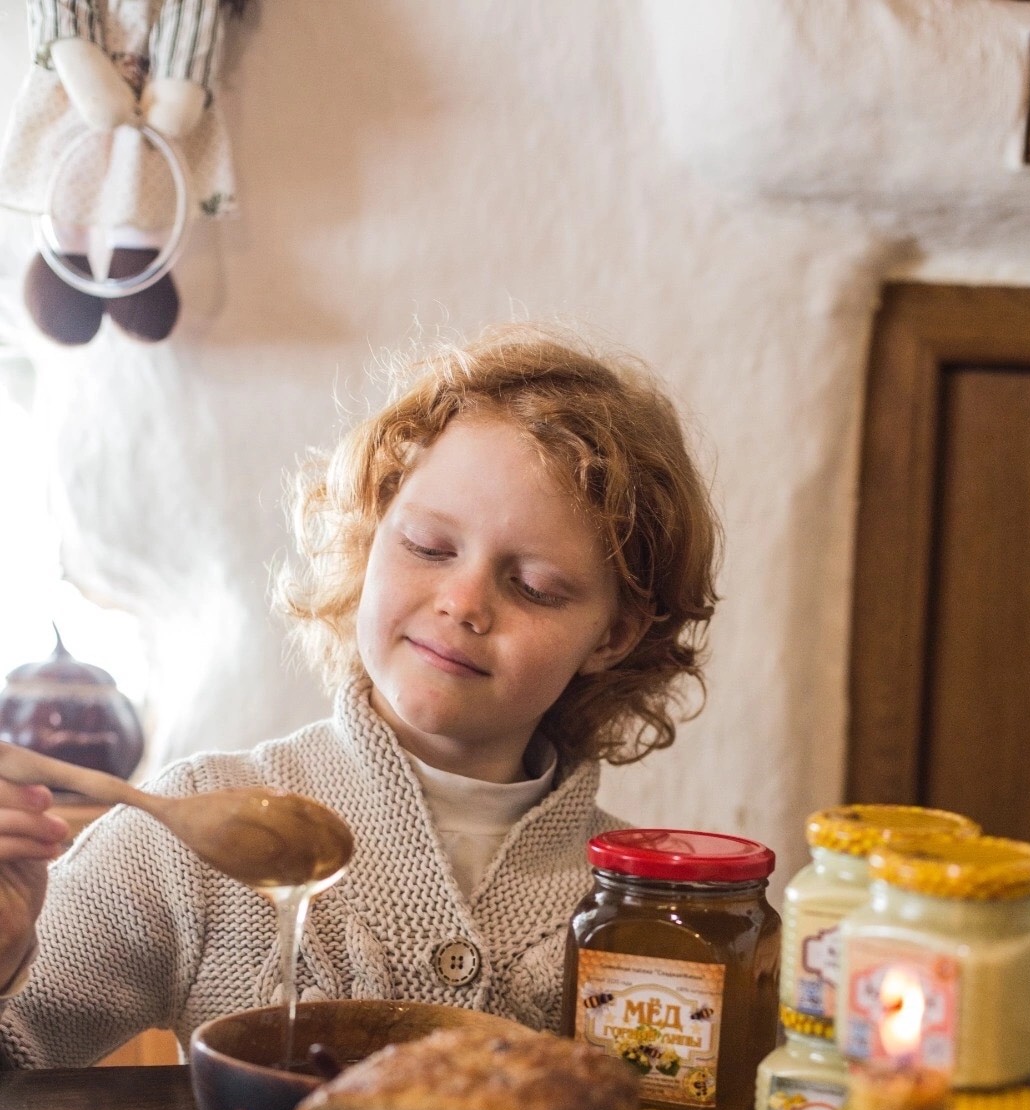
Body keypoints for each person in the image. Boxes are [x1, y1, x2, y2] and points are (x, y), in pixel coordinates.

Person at [0, 327, 720, 1068]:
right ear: (372, 532)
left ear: (613, 636)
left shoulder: (643, 909)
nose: (463, 602)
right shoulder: (191, 834)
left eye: (534, 587)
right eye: (429, 549)